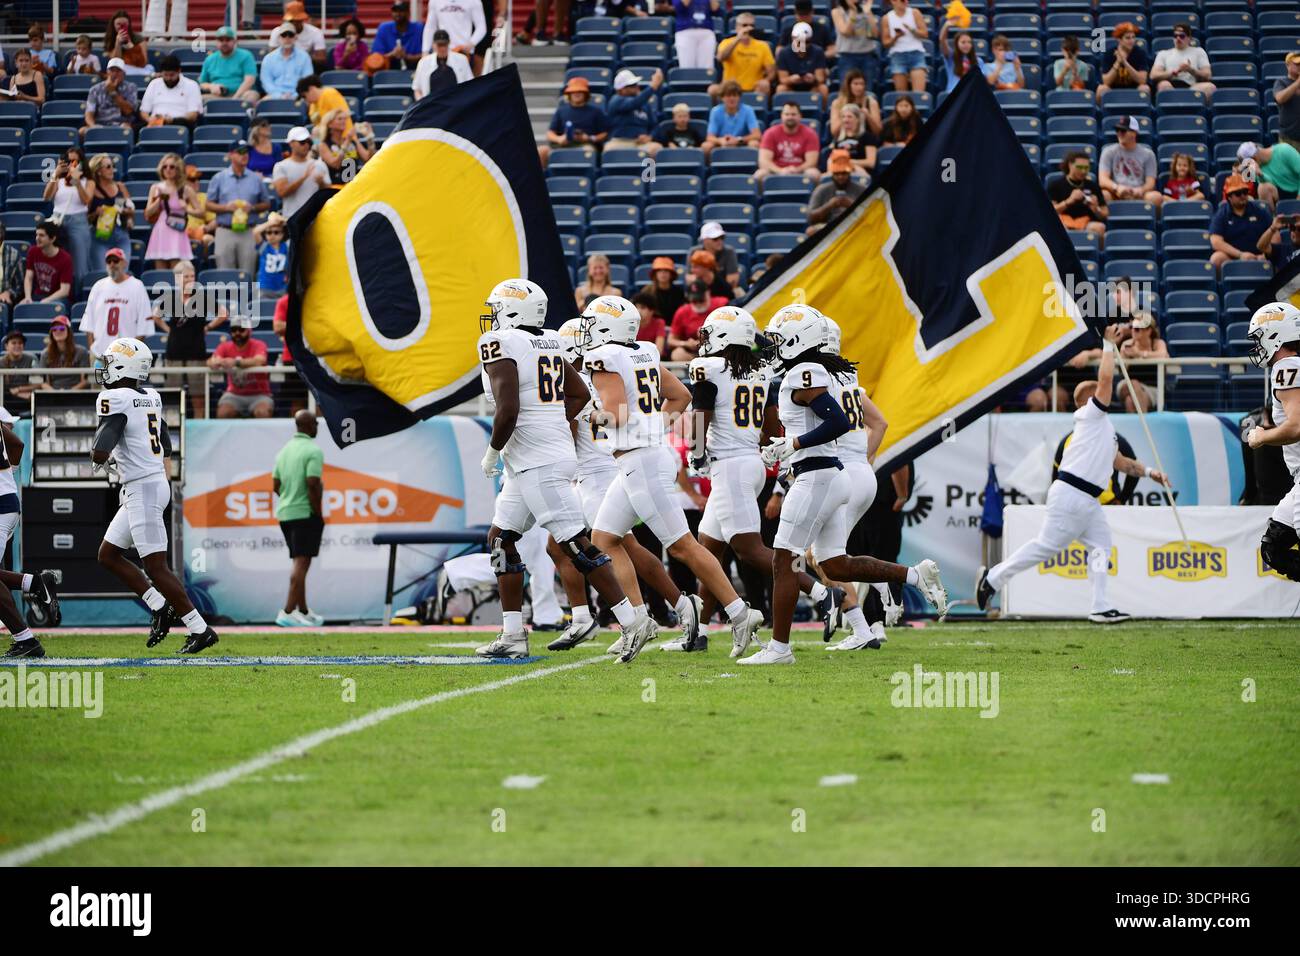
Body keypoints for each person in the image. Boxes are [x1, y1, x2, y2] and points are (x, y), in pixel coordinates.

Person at [755, 304, 948, 664]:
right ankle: (911, 575)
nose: (775, 345)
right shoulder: (825, 372)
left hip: (820, 475)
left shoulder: (805, 372)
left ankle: (780, 648)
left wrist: (792, 445)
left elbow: (838, 422)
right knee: (836, 564)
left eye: (781, 339)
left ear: (800, 340)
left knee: (785, 558)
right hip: (837, 473)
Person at [578, 294, 763, 662]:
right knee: (604, 538)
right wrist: (653, 426)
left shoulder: (604, 358)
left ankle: (742, 613)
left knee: (682, 546)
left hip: (640, 462)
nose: (586, 332)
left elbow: (615, 414)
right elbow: (679, 396)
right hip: (645, 456)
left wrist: (589, 414)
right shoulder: (643, 350)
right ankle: (638, 619)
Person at [475, 280, 652, 660]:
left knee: (575, 543)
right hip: (538, 457)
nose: (491, 317)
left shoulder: (501, 343)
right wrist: (553, 423)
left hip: (538, 460)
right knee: (500, 538)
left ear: (511, 311)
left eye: (496, 308)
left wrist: (493, 451)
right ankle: (511, 634)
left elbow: (508, 409)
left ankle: (632, 621)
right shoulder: (552, 339)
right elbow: (580, 395)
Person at [978, 325, 1168, 623]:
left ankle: (1100, 606)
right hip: (1072, 494)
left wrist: (1151, 472)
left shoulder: (1103, 430)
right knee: (1045, 547)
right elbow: (1106, 380)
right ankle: (993, 579)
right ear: (1086, 401)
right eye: (1095, 392)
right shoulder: (1090, 416)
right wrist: (1108, 346)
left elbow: (1121, 463)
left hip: (1085, 500)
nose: (1102, 393)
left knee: (1101, 544)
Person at [682, 307, 837, 649]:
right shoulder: (761, 371)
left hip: (730, 468)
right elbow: (770, 428)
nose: (704, 339)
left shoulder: (709, 369)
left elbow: (698, 418)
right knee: (710, 548)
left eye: (710, 333)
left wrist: (696, 455)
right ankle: (699, 633)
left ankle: (821, 591)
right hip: (750, 463)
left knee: (751, 550)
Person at [94, 337, 218, 653]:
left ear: (123, 365)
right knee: (107, 555)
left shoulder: (116, 399)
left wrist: (101, 458)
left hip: (142, 489)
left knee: (156, 567)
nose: (104, 369)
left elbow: (102, 445)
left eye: (108, 363)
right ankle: (159, 605)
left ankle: (200, 628)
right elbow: (166, 441)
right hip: (150, 483)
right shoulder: (150, 396)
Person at [816, 316, 903, 648]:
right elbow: (879, 423)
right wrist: (864, 460)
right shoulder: (849, 376)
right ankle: (862, 620)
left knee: (824, 556)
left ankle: (873, 598)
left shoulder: (818, 378)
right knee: (822, 555)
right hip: (862, 474)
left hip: (843, 473)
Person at [1244, 302, 1300, 583]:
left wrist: (1261, 436)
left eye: (1259, 338)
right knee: (1273, 549)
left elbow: (1296, 426)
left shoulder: (1286, 366)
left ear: (1274, 334)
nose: (1257, 346)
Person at [0, 416, 60, 658]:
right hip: (6, 501)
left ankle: (27, 640)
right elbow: (16, 444)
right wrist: (8, 480)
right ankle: (34, 583)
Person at [273, 410, 327, 627]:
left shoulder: (283, 451)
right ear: (307, 425)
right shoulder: (313, 450)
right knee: (301, 563)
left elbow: (276, 486)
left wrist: (289, 498)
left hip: (285, 513)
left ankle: (302, 610)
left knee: (298, 561)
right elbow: (313, 483)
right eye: (315, 423)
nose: (317, 426)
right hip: (305, 512)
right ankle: (287, 611)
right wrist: (318, 512)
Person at [154, 260, 226, 418]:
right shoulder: (171, 299)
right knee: (173, 397)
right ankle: (173, 430)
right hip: (174, 353)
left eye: (192, 276)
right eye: (186, 277)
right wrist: (169, 330)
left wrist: (208, 327)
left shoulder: (201, 298)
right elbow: (156, 316)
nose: (190, 280)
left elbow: (223, 313)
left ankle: (200, 428)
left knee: (198, 397)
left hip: (196, 352)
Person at [207, 142, 272, 273]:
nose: (245, 155)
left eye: (246, 152)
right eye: (240, 152)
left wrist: (252, 208)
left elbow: (267, 203)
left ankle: (248, 295)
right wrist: (226, 208)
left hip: (248, 231)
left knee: (248, 275)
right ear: (231, 155)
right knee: (225, 277)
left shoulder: (255, 178)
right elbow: (208, 204)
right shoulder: (219, 178)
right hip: (225, 230)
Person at [81, 248, 156, 358]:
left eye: (116, 261)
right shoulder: (98, 286)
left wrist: (132, 352)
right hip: (100, 354)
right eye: (109, 261)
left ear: (124, 263)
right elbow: (89, 323)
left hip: (127, 356)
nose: (112, 264)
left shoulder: (137, 286)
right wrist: (93, 348)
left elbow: (144, 325)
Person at [42, 147, 93, 283]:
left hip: (78, 220)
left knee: (80, 264)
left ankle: (79, 296)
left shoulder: (88, 181)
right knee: (57, 260)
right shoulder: (58, 180)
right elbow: (46, 197)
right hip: (58, 219)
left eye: (74, 161)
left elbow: (86, 201)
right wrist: (55, 174)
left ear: (81, 162)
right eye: (68, 161)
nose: (71, 164)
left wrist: (77, 183)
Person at [209, 315, 272, 418]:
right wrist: (215, 362)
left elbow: (260, 360)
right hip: (234, 394)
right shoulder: (224, 346)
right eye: (234, 330)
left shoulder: (259, 344)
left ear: (249, 331)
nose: (237, 333)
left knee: (262, 412)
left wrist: (236, 362)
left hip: (260, 394)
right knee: (223, 413)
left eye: (241, 330)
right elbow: (211, 361)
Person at [144, 153, 199, 269]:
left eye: (172, 167)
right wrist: (158, 200)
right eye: (165, 166)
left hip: (177, 231)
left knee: (177, 271)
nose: (168, 169)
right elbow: (148, 213)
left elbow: (201, 212)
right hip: (161, 230)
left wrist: (186, 208)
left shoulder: (186, 189)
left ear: (178, 169)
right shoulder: (156, 188)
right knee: (161, 275)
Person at [1210, 174, 1276, 270]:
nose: (1242, 196)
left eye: (1245, 192)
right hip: (1234, 258)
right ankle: (1223, 285)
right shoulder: (1221, 215)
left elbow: (1275, 234)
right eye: (1238, 193)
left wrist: (1266, 254)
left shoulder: (1260, 211)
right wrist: (1240, 255)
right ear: (1229, 196)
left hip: (1260, 257)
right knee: (1217, 258)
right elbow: (1216, 241)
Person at [540, 76, 608, 167]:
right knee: (542, 151)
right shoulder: (561, 110)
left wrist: (589, 138)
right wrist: (559, 139)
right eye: (573, 92)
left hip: (585, 144)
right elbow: (550, 133)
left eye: (580, 92)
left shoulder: (596, 111)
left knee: (588, 152)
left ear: (586, 94)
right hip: (563, 144)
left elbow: (604, 133)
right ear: (569, 94)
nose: (576, 94)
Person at [709, 12, 775, 98]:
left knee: (765, 86)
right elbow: (720, 58)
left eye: (751, 25)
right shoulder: (727, 42)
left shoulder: (762, 46)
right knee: (712, 90)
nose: (748, 28)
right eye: (744, 25)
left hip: (753, 87)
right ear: (737, 27)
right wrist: (738, 39)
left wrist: (766, 80)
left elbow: (772, 72)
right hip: (729, 87)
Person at [1098, 115, 1161, 204]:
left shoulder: (1148, 154)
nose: (1119, 133)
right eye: (1117, 130)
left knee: (1155, 197)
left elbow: (1150, 182)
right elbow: (1103, 180)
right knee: (1104, 195)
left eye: (1123, 131)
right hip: (1116, 193)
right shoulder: (1108, 151)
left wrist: (1141, 190)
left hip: (1139, 193)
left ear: (1134, 133)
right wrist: (1116, 187)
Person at [1048, 150, 1107, 242]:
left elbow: (1105, 214)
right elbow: (1050, 211)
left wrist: (1096, 209)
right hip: (1064, 222)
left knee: (1099, 228)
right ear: (1070, 165)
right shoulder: (1056, 185)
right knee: (1057, 229)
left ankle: (1097, 256)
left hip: (1087, 223)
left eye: (1086, 167)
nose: (1083, 171)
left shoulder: (1092, 186)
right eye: (1079, 167)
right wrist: (1069, 201)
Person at [273, 126, 330, 219]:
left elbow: (328, 194)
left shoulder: (319, 165)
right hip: (291, 218)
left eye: (309, 142)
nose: (306, 145)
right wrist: (303, 177)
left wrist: (322, 183)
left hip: (315, 218)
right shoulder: (281, 166)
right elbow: (282, 192)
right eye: (302, 142)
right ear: (291, 144)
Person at [757, 102, 821, 182]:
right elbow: (764, 161)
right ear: (781, 116)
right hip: (776, 171)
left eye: (793, 114)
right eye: (787, 114)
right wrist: (780, 170)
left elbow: (812, 162)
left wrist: (797, 169)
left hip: (801, 171)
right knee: (760, 174)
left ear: (800, 116)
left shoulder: (810, 134)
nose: (790, 117)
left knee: (814, 173)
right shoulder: (770, 133)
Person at [808, 150, 868, 234]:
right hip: (828, 225)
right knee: (811, 231)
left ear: (849, 172)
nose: (840, 177)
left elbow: (871, 215)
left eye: (844, 173)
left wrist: (852, 205)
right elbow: (811, 218)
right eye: (837, 173)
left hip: (856, 225)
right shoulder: (821, 189)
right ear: (832, 173)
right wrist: (830, 205)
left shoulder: (861, 189)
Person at [1150, 23, 1214, 100]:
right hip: (1171, 84)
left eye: (1182, 36)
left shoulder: (1199, 51)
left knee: (1210, 87)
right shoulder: (1163, 53)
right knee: (1163, 85)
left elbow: (1207, 75)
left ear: (1189, 38)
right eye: (1175, 36)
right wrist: (1172, 72)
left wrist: (1190, 70)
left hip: (1192, 86)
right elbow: (1153, 75)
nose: (1178, 38)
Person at [1117, 313, 1167, 412]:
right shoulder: (1127, 344)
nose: (1133, 331)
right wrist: (1124, 356)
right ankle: (1144, 423)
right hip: (1127, 384)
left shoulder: (1158, 343)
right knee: (1134, 384)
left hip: (1151, 389)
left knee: (1130, 401)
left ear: (1148, 331)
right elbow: (1122, 370)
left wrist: (1139, 354)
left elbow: (1163, 355)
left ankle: (1136, 426)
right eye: (1132, 327)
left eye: (1137, 329)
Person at [605, 69, 663, 153]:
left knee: (656, 148)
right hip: (619, 141)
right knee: (609, 150)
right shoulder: (615, 100)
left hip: (640, 144)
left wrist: (650, 137)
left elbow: (654, 125)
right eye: (631, 85)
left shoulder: (645, 104)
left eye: (636, 84)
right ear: (621, 89)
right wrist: (653, 86)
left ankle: (650, 167)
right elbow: (633, 103)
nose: (636, 86)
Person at [198, 26, 259, 104]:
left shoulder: (246, 55)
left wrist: (235, 99)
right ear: (216, 42)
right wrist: (211, 86)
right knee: (198, 100)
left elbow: (249, 81)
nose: (224, 43)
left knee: (251, 95)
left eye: (228, 40)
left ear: (235, 41)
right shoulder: (210, 59)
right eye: (221, 40)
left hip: (242, 95)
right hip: (218, 96)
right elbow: (202, 83)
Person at [138, 54, 201, 128]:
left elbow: (193, 115)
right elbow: (144, 111)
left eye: (172, 75)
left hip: (180, 124)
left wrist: (173, 120)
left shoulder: (192, 85)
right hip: (155, 123)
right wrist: (150, 120)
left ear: (179, 71)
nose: (168, 78)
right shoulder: (154, 84)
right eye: (165, 75)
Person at [423, 0, 487, 72]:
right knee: (439, 81)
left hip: (463, 53)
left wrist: (471, 44)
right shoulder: (435, 1)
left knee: (464, 81)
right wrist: (425, 51)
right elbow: (430, 26)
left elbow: (481, 27)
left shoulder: (474, 1)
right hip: (442, 50)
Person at [668, 279, 724, 361]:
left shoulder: (721, 305)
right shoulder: (682, 312)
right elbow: (671, 340)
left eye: (701, 300)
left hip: (717, 349)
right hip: (693, 353)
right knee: (677, 354)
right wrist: (686, 343)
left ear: (708, 293)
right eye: (694, 300)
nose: (698, 303)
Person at [318, 109, 375, 187]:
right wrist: (347, 142)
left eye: (345, 119)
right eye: (340, 119)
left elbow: (369, 159)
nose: (343, 121)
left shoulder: (352, 141)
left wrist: (369, 138)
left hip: (352, 187)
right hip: (335, 188)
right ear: (330, 124)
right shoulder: (324, 145)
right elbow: (335, 164)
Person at [880, 0, 927, 93]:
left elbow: (925, 34)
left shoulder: (915, 13)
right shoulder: (887, 18)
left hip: (916, 53)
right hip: (897, 55)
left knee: (919, 94)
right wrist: (897, 37)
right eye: (902, 0)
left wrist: (911, 29)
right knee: (901, 94)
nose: (905, 1)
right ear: (893, 1)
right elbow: (885, 43)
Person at [1237, 142, 1300, 211]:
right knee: (1263, 188)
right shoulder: (1256, 168)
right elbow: (1267, 183)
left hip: (1297, 191)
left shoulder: (1284, 150)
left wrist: (1297, 201)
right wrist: (1260, 175)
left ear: (1253, 158)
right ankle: (1272, 219)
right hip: (1283, 194)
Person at [776, 22, 829, 102]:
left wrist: (813, 79)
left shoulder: (818, 51)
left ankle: (823, 113)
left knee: (823, 88)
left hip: (812, 86)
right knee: (781, 89)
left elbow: (820, 78)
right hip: (791, 86)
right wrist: (791, 79)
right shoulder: (784, 52)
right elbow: (783, 79)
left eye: (805, 42)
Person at [413, 29, 474, 97]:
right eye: (439, 45)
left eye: (444, 44)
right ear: (434, 45)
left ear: (449, 43)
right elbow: (417, 89)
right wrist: (423, 105)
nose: (442, 48)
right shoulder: (424, 62)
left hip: (456, 103)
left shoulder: (462, 60)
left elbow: (470, 85)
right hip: (432, 104)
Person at [82, 58, 138, 134]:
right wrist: (93, 126)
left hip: (121, 124)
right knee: (82, 131)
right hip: (100, 124)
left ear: (124, 73)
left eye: (118, 71)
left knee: (127, 129)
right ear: (107, 72)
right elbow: (89, 114)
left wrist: (113, 92)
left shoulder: (131, 87)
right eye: (112, 70)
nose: (114, 74)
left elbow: (128, 111)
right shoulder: (95, 89)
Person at [1097, 22, 1149, 103]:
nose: (1132, 40)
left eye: (1133, 37)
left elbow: (1142, 80)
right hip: (1113, 90)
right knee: (1101, 89)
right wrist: (1118, 62)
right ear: (1119, 39)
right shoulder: (1109, 53)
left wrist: (1125, 63)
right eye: (1128, 38)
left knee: (1144, 88)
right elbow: (1106, 81)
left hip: (1134, 89)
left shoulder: (1140, 53)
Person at [22, 223, 72, 305]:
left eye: (41, 235)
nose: (37, 238)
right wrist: (28, 297)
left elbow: (64, 290)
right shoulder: (33, 251)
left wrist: (47, 300)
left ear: (52, 239)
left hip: (58, 298)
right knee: (21, 307)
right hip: (38, 295)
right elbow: (28, 278)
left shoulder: (65, 258)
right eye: (36, 235)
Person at [705, 80, 761, 153]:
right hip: (722, 143)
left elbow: (757, 135)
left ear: (739, 97)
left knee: (754, 144)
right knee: (706, 146)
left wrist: (738, 140)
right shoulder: (715, 111)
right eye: (728, 96)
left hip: (742, 143)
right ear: (722, 97)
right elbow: (710, 137)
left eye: (735, 95)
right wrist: (720, 140)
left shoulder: (748, 110)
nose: (732, 98)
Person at [271, 1, 329, 71]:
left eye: (297, 20)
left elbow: (321, 58)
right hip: (283, 66)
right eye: (291, 21)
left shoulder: (315, 32)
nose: (293, 23)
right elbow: (272, 56)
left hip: (307, 66)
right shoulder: (276, 32)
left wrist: (301, 58)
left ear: (302, 20)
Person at [262, 24, 315, 100]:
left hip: (300, 95)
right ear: (279, 38)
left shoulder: (304, 57)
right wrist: (278, 96)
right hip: (274, 96)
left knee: (309, 102)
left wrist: (296, 95)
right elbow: (266, 82)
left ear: (295, 37)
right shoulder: (269, 58)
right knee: (263, 103)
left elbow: (308, 79)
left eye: (290, 35)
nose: (287, 38)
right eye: (284, 35)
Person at [833, 0, 879, 87]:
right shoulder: (837, 12)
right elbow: (846, 32)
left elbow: (875, 34)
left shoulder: (866, 10)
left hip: (867, 56)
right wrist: (853, 11)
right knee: (847, 90)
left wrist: (868, 13)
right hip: (847, 56)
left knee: (867, 90)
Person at [39, 316, 90, 391]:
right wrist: (55, 393)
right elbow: (44, 383)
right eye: (54, 329)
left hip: (76, 393)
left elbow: (84, 381)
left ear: (68, 331)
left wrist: (68, 392)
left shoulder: (81, 351)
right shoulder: (45, 354)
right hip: (53, 394)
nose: (58, 331)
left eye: (62, 328)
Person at [829, 69, 881, 140]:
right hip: (843, 139)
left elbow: (878, 131)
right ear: (848, 85)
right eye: (856, 84)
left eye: (862, 84)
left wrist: (868, 116)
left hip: (866, 140)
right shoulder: (838, 103)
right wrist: (845, 117)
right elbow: (834, 132)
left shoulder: (871, 102)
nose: (859, 87)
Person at [372, 1, 425, 70]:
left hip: (415, 70)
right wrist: (392, 54)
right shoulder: (384, 28)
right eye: (395, 11)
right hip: (389, 71)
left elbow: (427, 55)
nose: (397, 13)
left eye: (401, 10)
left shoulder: (419, 28)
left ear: (408, 13)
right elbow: (375, 58)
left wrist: (406, 56)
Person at [829, 105, 877, 175]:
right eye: (843, 117)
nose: (845, 120)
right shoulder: (838, 139)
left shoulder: (867, 137)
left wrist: (849, 162)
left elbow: (871, 162)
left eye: (849, 117)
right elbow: (833, 160)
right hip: (841, 172)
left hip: (862, 172)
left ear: (858, 119)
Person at [691, 222, 741, 291]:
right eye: (715, 238)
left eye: (722, 237)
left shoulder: (729, 251)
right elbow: (690, 279)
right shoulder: (694, 252)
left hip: (725, 294)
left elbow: (732, 282)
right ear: (705, 240)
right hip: (701, 293)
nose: (720, 241)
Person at [938, 20, 982, 95]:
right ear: (956, 44)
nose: (966, 45)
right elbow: (942, 40)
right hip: (953, 93)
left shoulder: (979, 61)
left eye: (969, 42)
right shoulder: (951, 57)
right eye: (963, 42)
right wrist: (946, 26)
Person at [640, 257, 685, 329]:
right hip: (654, 328)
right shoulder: (647, 291)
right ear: (655, 274)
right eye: (659, 271)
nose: (663, 274)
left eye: (666, 271)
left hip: (674, 327)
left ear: (671, 274)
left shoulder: (678, 291)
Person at [103, 10, 151, 79]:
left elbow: (143, 63)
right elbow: (115, 62)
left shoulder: (138, 39)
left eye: (124, 24)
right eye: (118, 24)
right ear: (113, 25)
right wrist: (118, 43)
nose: (121, 26)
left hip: (138, 68)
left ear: (129, 24)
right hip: (119, 70)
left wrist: (131, 47)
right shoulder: (110, 39)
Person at [674, 0, 719, 71]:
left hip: (706, 30)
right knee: (687, 66)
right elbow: (680, 7)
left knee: (707, 67)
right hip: (685, 31)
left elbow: (715, 9)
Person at [0, 331, 38, 411]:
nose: (17, 346)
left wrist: (19, 389)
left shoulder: (31, 360)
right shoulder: (1, 363)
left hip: (27, 403)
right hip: (5, 404)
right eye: (14, 343)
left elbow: (37, 384)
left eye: (20, 343)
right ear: (6, 346)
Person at [254, 213, 290, 296]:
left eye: (276, 232)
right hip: (264, 286)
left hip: (282, 287)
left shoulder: (286, 246)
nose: (272, 235)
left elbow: (295, 228)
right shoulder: (263, 246)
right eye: (269, 232)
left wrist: (283, 221)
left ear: (282, 234)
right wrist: (270, 223)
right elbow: (256, 232)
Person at [1274, 53, 1300, 152]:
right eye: (1297, 64)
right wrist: (1297, 83)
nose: (1299, 67)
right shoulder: (1281, 82)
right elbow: (1280, 98)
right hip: (1288, 139)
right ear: (1287, 65)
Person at [632, 291, 666, 356]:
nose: (638, 310)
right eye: (637, 307)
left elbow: (659, 350)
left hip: (655, 359)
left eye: (642, 308)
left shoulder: (659, 323)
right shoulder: (630, 323)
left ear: (652, 311)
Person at [0, 223, 22, 307]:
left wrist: (8, 293)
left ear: (2, 234)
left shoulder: (14, 254)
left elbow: (19, 284)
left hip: (3, 300)